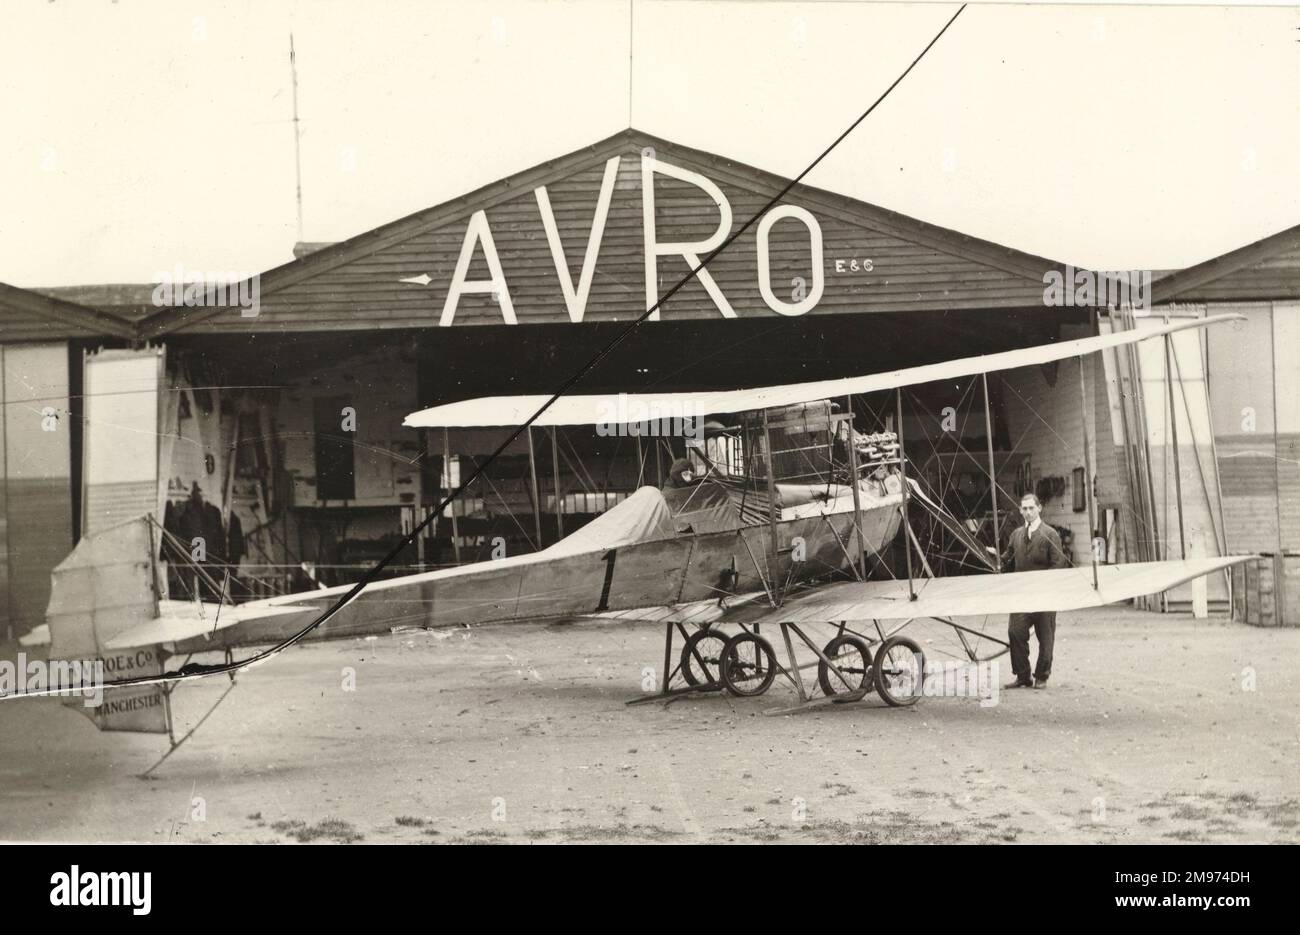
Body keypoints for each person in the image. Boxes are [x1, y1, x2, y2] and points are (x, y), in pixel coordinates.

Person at [1001, 492, 1070, 690]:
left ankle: (1042, 676)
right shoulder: (1016, 535)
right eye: (1025, 509)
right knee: (1015, 632)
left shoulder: (1050, 534)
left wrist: (1041, 583)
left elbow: (1059, 564)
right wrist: (995, 558)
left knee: (1046, 637)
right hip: (1021, 595)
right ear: (1020, 510)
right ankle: (1023, 676)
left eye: (1032, 508)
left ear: (1039, 508)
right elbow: (1007, 559)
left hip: (1045, 596)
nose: (1028, 512)